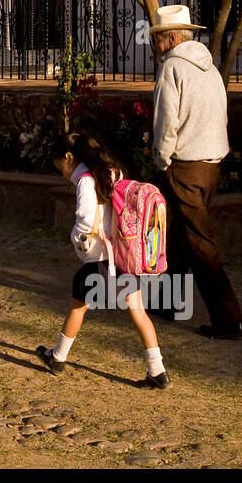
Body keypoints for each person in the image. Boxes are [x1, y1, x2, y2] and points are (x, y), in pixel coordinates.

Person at [35, 132, 170, 388]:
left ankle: (58, 356)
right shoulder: (111, 173)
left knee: (78, 304)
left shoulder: (86, 181)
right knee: (138, 311)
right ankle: (158, 370)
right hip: (124, 258)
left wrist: (78, 239)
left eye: (60, 167)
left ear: (69, 157)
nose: (62, 174)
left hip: (101, 260)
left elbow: (86, 220)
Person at [149, 4, 242, 339]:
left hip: (185, 166)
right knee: (180, 237)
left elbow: (165, 124)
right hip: (211, 165)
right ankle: (168, 302)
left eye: (158, 38)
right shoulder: (209, 68)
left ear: (171, 38)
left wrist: (161, 161)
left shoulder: (172, 68)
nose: (155, 45)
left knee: (201, 244)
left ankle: (229, 319)